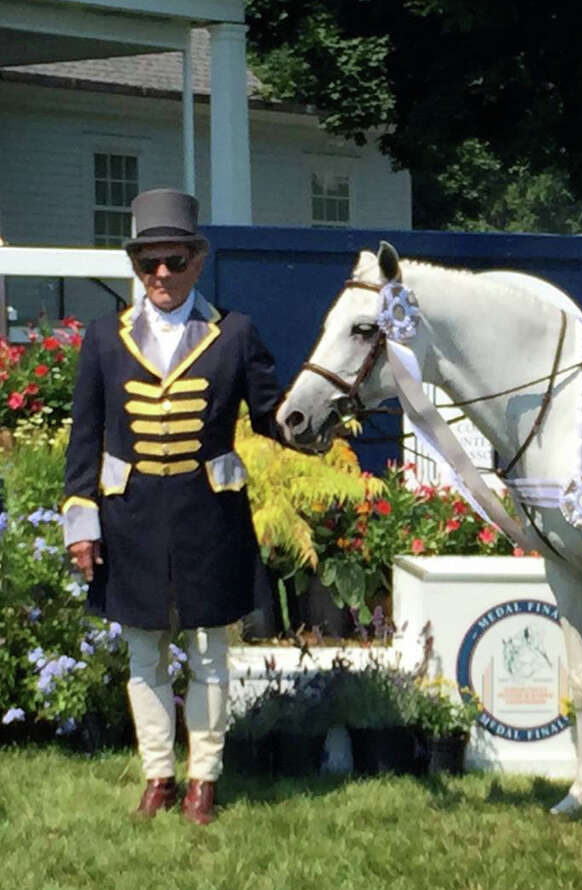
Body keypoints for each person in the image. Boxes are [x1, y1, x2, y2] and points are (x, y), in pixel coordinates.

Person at [62, 188, 286, 825]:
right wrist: (82, 525)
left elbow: (273, 416)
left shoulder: (235, 332)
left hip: (209, 516)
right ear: (136, 266)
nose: (161, 275)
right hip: (128, 517)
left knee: (212, 653)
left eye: (175, 260)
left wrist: (321, 415)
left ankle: (203, 780)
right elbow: (84, 440)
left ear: (197, 260)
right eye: (148, 263)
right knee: (143, 655)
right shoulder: (104, 338)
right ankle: (159, 775)